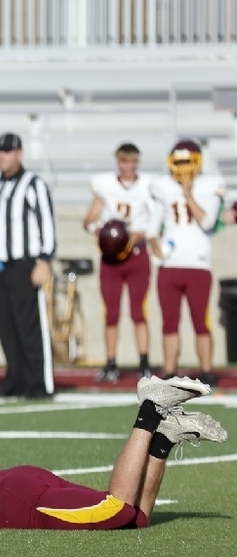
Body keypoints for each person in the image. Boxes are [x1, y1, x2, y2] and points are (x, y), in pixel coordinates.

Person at [0, 373, 226, 529]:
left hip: (5, 503)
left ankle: (149, 410)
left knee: (117, 510)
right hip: (13, 480)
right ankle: (163, 438)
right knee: (135, 519)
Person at [0, 132, 56, 399]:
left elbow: (46, 222)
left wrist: (45, 259)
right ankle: (15, 380)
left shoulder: (33, 184)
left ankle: (38, 384)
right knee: (7, 326)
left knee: (29, 326)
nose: (2, 157)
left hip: (25, 264)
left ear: (19, 153)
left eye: (7, 152)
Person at [149, 140, 225, 386]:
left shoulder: (209, 185)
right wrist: (154, 245)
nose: (182, 168)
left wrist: (188, 193)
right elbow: (154, 223)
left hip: (198, 265)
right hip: (170, 266)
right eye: (179, 162)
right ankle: (170, 370)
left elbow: (207, 222)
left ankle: (207, 370)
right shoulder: (162, 186)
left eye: (187, 162)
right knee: (169, 321)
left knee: (200, 320)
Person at [82, 143, 158, 382]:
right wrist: (98, 231)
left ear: (137, 162)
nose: (128, 166)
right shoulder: (105, 186)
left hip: (136, 255)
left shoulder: (149, 185)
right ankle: (111, 362)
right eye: (124, 161)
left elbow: (157, 220)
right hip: (111, 258)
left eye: (132, 161)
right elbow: (89, 220)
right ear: (118, 162)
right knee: (111, 313)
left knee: (138, 312)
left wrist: (140, 233)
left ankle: (144, 363)